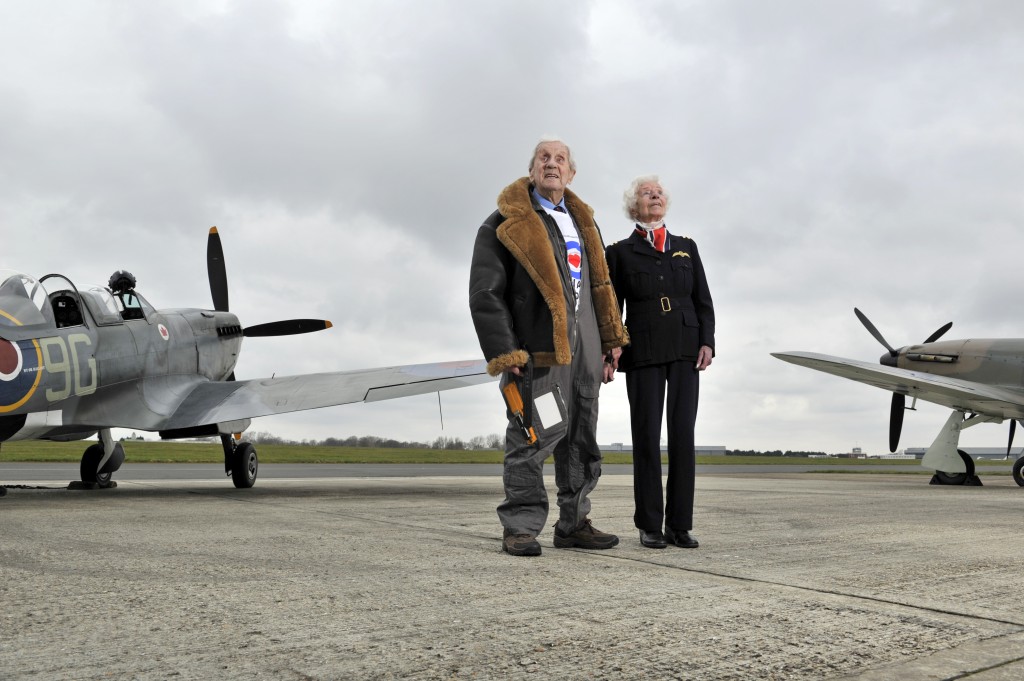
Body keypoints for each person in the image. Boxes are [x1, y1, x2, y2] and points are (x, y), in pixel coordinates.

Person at [469, 138, 630, 557]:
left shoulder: (585, 225)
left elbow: (601, 288)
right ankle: (520, 526)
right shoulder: (505, 222)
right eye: (544, 157)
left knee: (581, 440)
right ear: (532, 169)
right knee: (532, 437)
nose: (552, 164)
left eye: (560, 159)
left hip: (585, 353)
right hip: (539, 352)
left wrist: (609, 344)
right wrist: (506, 351)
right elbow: (485, 294)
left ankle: (574, 523)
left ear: (571, 173)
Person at [605, 176, 715, 549]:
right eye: (646, 193)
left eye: (659, 192)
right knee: (647, 437)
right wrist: (611, 348)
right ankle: (650, 523)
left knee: (683, 436)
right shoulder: (619, 252)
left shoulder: (687, 247)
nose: (655, 195)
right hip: (644, 350)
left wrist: (707, 342)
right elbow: (611, 307)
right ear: (633, 206)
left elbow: (703, 300)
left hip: (686, 348)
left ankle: (679, 524)